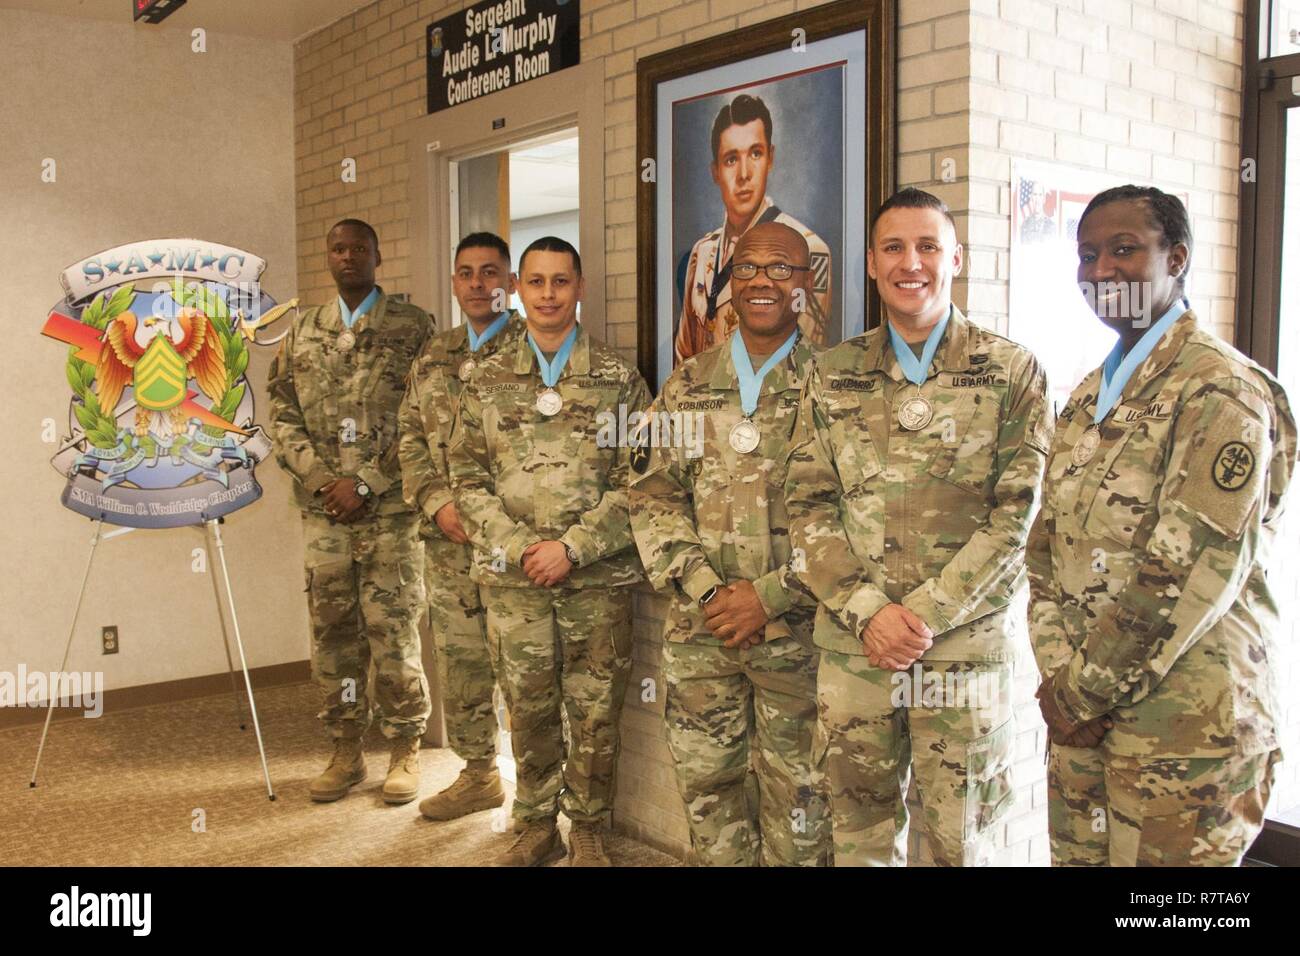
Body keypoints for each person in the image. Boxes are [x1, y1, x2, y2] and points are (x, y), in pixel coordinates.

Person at [1026, 185, 1296, 866]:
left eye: (1124, 250)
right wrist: (1063, 675)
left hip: (1184, 731)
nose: (1101, 271)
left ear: (1176, 258)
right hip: (1086, 725)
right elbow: (1045, 549)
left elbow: (1184, 570)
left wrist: (1081, 689)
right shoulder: (1089, 394)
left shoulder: (1220, 389)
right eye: (1088, 255)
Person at [784, 188, 1052, 866]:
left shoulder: (1011, 372)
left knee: (966, 841)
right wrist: (870, 613)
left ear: (955, 258)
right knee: (858, 837)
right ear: (871, 264)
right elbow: (807, 509)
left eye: (928, 246)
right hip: (857, 652)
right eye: (894, 248)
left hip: (962, 653)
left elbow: (1019, 516)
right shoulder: (830, 374)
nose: (912, 263)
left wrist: (923, 614)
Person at [630, 222, 832, 866]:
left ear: (805, 286)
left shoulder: (837, 388)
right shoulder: (688, 385)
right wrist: (709, 590)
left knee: (801, 800)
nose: (763, 282)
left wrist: (768, 597)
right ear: (727, 285)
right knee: (708, 795)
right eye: (747, 269)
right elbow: (652, 497)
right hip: (702, 632)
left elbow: (857, 520)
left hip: (800, 636)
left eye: (782, 270)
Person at [447, 236, 653, 866]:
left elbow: (642, 482)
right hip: (513, 584)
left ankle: (589, 825)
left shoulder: (620, 380)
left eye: (560, 282)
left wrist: (573, 546)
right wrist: (516, 547)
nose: (547, 295)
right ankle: (535, 822)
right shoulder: (482, 380)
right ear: (518, 289)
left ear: (580, 287)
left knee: (595, 710)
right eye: (535, 283)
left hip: (596, 580)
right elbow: (465, 476)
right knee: (528, 704)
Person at [267, 218, 434, 805]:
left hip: (389, 513)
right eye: (337, 248)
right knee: (334, 637)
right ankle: (345, 750)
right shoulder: (303, 330)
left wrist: (365, 482)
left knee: (394, 633)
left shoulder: (413, 328)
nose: (347, 257)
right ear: (327, 257)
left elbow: (425, 417)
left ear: (377, 256)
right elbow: (282, 414)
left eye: (358, 248)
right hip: (324, 517)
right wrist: (320, 480)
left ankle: (406, 749)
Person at [398, 232, 525, 822]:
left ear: (511, 283)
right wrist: (435, 503)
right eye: (467, 273)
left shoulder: (533, 348)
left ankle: (542, 795)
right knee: (463, 662)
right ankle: (478, 774)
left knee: (524, 666)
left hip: (511, 544)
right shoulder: (432, 355)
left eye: (491, 272)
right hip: (447, 542)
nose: (479, 284)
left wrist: (487, 516)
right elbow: (409, 437)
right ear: (453, 282)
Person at [675, 93, 833, 364]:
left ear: (770, 158)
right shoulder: (703, 252)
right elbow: (683, 358)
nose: (744, 173)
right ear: (715, 171)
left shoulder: (808, 250)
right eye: (731, 159)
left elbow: (805, 363)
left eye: (755, 154)